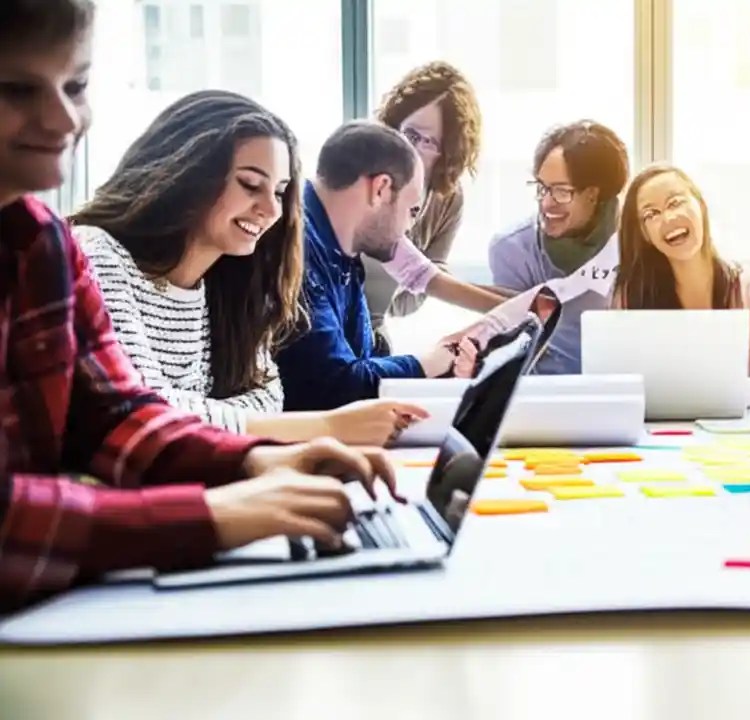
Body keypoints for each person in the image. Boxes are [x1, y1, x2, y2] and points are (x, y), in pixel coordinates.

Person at [0, 0, 398, 611]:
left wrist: (253, 462)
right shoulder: (92, 249)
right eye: (17, 89)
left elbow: (117, 416)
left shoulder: (41, 242)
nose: (62, 118)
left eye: (76, 85)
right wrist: (208, 514)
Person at [71, 90, 426, 446]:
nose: (271, 210)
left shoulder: (231, 283)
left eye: (279, 191)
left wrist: (197, 411)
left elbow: (269, 401)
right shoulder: (96, 255)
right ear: (187, 173)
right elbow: (144, 412)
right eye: (250, 184)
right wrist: (327, 427)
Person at [276, 120, 480, 411]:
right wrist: (428, 362)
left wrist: (442, 367)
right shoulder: (296, 250)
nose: (409, 228)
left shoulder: (342, 253)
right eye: (412, 211)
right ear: (381, 189)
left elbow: (362, 364)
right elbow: (335, 386)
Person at [366, 61, 507, 354]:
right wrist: (512, 308)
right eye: (409, 134)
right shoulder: (368, 180)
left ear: (448, 153)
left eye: (427, 142)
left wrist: (526, 302)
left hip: (373, 338)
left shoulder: (447, 199)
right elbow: (421, 275)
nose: (410, 149)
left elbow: (409, 298)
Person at [488, 120, 628, 374]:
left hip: (626, 388)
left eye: (561, 192)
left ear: (594, 195)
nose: (546, 203)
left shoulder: (636, 240)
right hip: (545, 395)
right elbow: (515, 348)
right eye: (542, 188)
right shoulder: (512, 249)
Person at [613, 164, 750, 371]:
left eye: (675, 203)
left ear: (701, 206)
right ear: (645, 235)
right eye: (651, 214)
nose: (668, 218)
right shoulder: (627, 296)